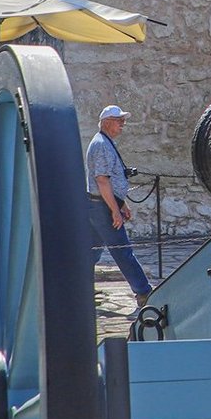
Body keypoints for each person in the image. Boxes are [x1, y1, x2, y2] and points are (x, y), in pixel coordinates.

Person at [87, 104, 154, 307]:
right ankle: (144, 292)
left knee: (90, 251)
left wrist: (121, 202)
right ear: (107, 123)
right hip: (102, 207)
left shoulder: (104, 142)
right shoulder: (102, 145)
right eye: (119, 120)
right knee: (122, 250)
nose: (123, 124)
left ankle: (81, 290)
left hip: (98, 205)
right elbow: (102, 180)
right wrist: (114, 210)